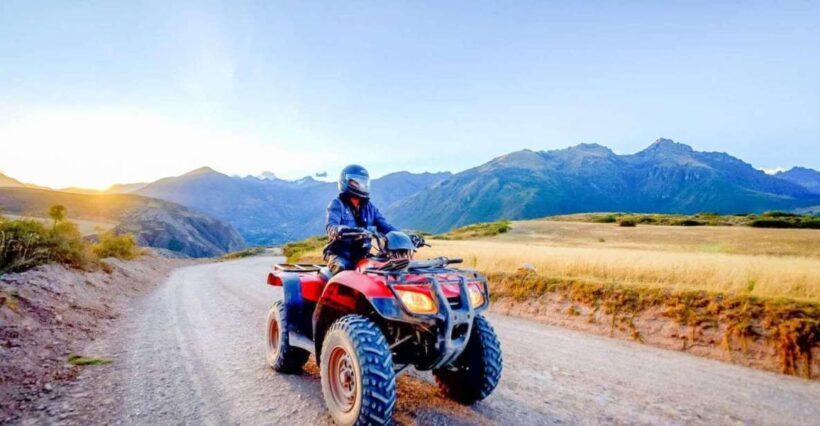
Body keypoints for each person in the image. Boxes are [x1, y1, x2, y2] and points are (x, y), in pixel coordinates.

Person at [323, 164, 406, 274]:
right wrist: (342, 230)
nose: (361, 185)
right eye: (356, 182)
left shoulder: (369, 207)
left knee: (384, 269)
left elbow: (385, 226)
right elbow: (331, 226)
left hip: (362, 255)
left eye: (363, 182)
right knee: (341, 270)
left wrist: (404, 236)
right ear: (345, 181)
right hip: (341, 255)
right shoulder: (337, 204)